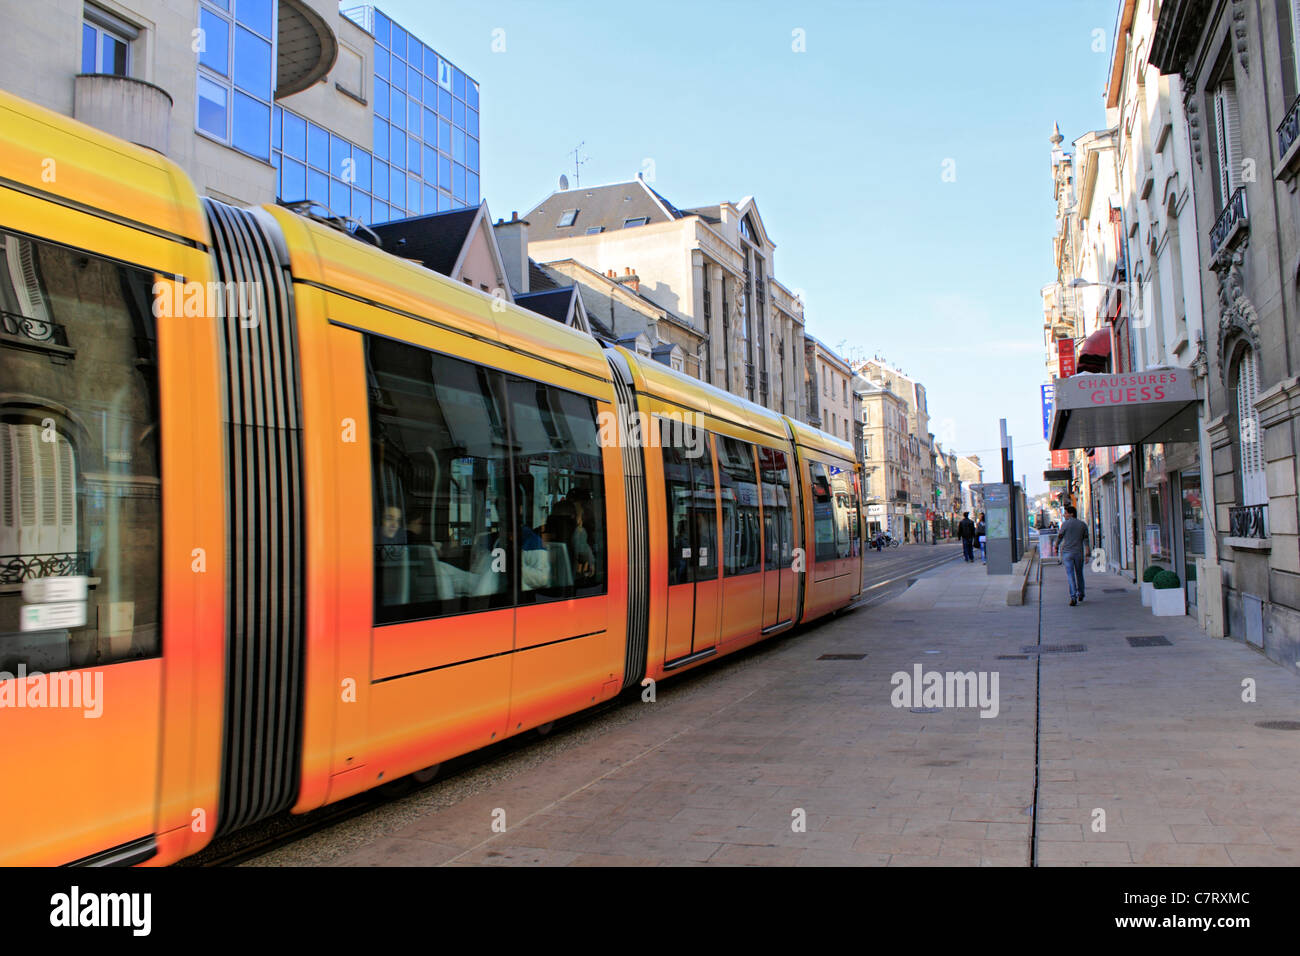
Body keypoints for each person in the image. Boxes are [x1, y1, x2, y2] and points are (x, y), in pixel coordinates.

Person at [1058, 504, 1090, 606]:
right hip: (1078, 553)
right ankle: (1081, 593)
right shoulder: (1083, 525)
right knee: (1079, 574)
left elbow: (1060, 536)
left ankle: (1073, 597)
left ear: (1071, 514)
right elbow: (1086, 540)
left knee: (1070, 575)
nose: (1064, 515)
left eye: (1066, 513)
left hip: (1067, 553)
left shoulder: (1065, 524)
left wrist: (1056, 546)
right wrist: (1087, 553)